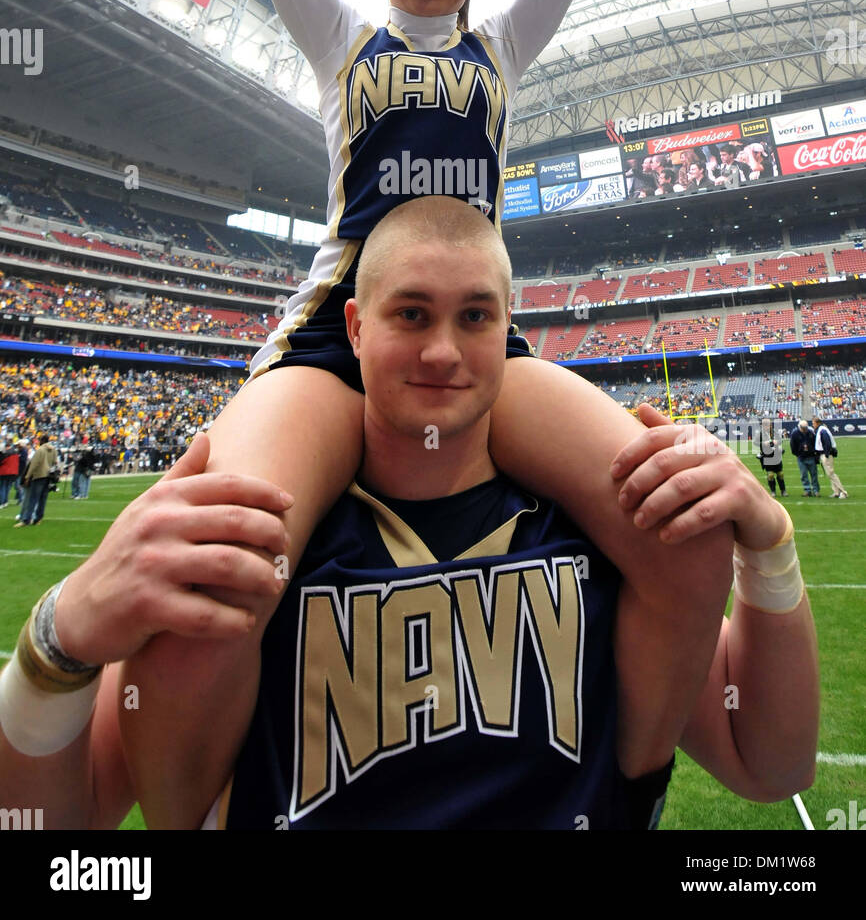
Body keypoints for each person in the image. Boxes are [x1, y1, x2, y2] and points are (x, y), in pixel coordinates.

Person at [0, 199, 819, 829]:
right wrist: (59, 638)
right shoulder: (253, 547)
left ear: (509, 331)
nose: (441, 352)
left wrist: (769, 548)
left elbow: (770, 763)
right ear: (354, 327)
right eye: (411, 313)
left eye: (474, 317)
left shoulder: (598, 542)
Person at [144, 0, 695, 595]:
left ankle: (641, 732)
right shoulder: (342, 44)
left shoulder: (501, 51)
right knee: (216, 559)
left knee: (673, 526)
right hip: (338, 329)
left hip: (480, 337)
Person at [14, 433, 55, 526]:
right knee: (42, 499)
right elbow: (55, 461)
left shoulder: (40, 450)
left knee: (33, 498)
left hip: (38, 475)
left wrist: (27, 476)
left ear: (42, 441)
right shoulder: (53, 450)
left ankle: (26, 519)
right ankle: (38, 519)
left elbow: (34, 464)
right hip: (48, 475)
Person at [811, 417, 848, 499]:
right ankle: (836, 492)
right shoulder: (822, 429)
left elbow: (826, 442)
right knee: (830, 474)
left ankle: (843, 492)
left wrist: (826, 454)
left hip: (825, 454)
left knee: (830, 473)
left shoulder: (822, 430)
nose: (813, 425)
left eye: (813, 423)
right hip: (825, 454)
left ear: (817, 423)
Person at [790, 419, 820, 496]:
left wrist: (814, 453)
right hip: (801, 458)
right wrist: (798, 454)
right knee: (803, 475)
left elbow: (814, 443)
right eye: (803, 428)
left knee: (814, 475)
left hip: (811, 456)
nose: (804, 429)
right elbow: (793, 446)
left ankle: (816, 490)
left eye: (805, 427)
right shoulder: (795, 434)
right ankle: (807, 490)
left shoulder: (810, 433)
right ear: (799, 427)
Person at [757, 420, 786, 498]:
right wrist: (763, 444)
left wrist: (777, 442)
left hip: (776, 455)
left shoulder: (774, 432)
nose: (768, 427)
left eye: (769, 425)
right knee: (770, 475)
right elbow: (757, 443)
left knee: (780, 474)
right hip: (767, 456)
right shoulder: (761, 434)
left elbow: (780, 441)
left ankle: (783, 490)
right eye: (766, 425)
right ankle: (773, 491)